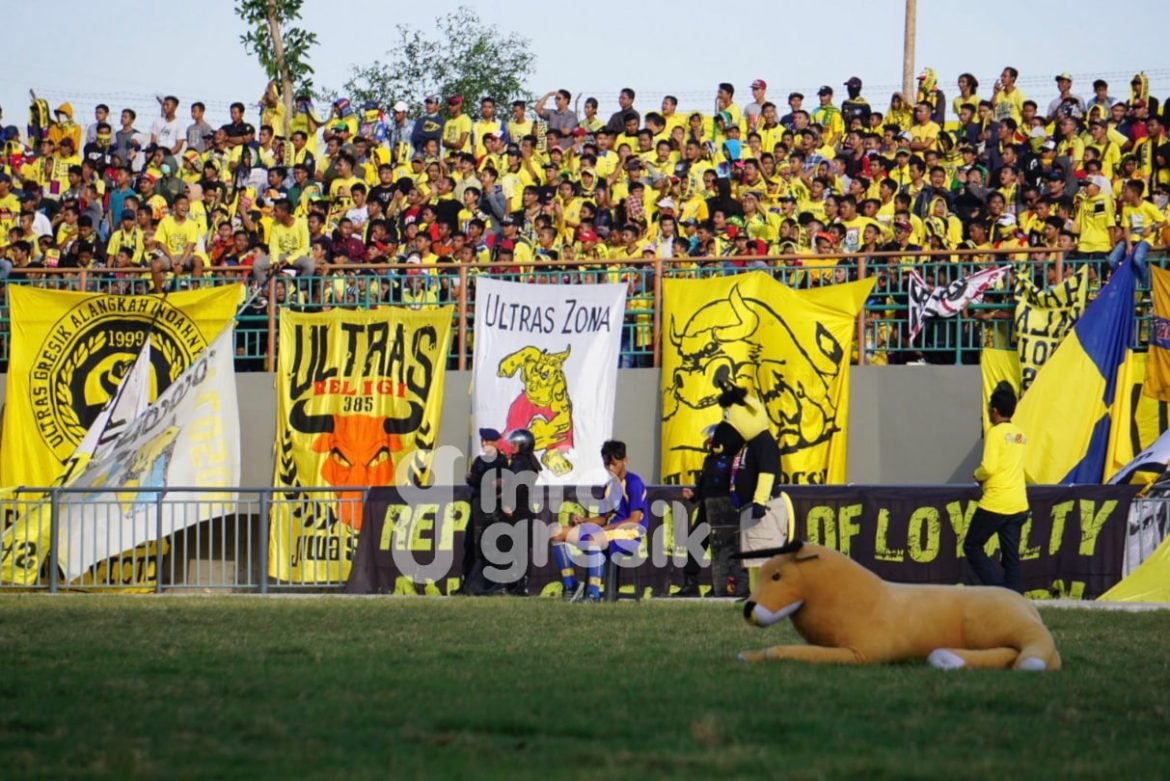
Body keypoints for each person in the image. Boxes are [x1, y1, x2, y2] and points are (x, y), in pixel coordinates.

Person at [550, 440, 648, 603]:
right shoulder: (610, 486)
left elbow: (634, 519)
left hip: (630, 534)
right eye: (606, 464)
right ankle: (571, 585)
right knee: (556, 533)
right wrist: (584, 520)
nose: (610, 468)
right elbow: (603, 518)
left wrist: (604, 530)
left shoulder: (634, 483)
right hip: (610, 531)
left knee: (594, 538)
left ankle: (593, 594)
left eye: (614, 464)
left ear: (625, 460)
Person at [963, 382, 1029, 593]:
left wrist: (977, 475)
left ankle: (997, 589)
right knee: (1011, 555)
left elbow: (989, 468)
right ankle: (1014, 596)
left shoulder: (995, 433)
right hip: (1018, 503)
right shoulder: (1020, 435)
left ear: (994, 410)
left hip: (996, 502)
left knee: (972, 545)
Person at [677, 421, 745, 598]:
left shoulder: (733, 460)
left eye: (712, 440)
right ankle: (691, 584)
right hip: (706, 508)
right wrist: (693, 495)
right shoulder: (709, 460)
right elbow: (704, 485)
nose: (708, 443)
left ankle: (722, 585)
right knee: (694, 542)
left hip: (725, 510)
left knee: (724, 548)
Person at [457, 427, 508, 596]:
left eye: (487, 441)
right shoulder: (480, 460)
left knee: (485, 546)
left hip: (489, 508)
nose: (485, 444)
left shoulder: (500, 461)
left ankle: (483, 585)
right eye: (484, 441)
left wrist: (475, 478)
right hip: (476, 505)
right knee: (470, 544)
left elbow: (487, 481)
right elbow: (479, 480)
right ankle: (468, 584)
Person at [498, 428, 542, 596]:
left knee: (510, 547)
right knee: (522, 548)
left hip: (517, 511)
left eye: (516, 443)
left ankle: (511, 584)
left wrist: (508, 504)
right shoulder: (530, 461)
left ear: (524, 445)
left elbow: (515, 485)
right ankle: (520, 584)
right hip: (526, 509)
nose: (512, 446)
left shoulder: (519, 462)